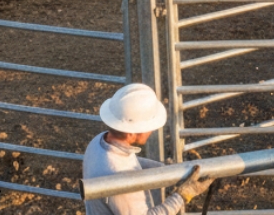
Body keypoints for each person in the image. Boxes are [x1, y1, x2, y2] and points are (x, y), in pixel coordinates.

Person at [83, 83, 211, 215]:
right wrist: (183, 195)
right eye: (148, 125)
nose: (152, 130)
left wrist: (168, 170)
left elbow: (128, 163)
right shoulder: (119, 180)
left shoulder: (99, 143)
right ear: (130, 133)